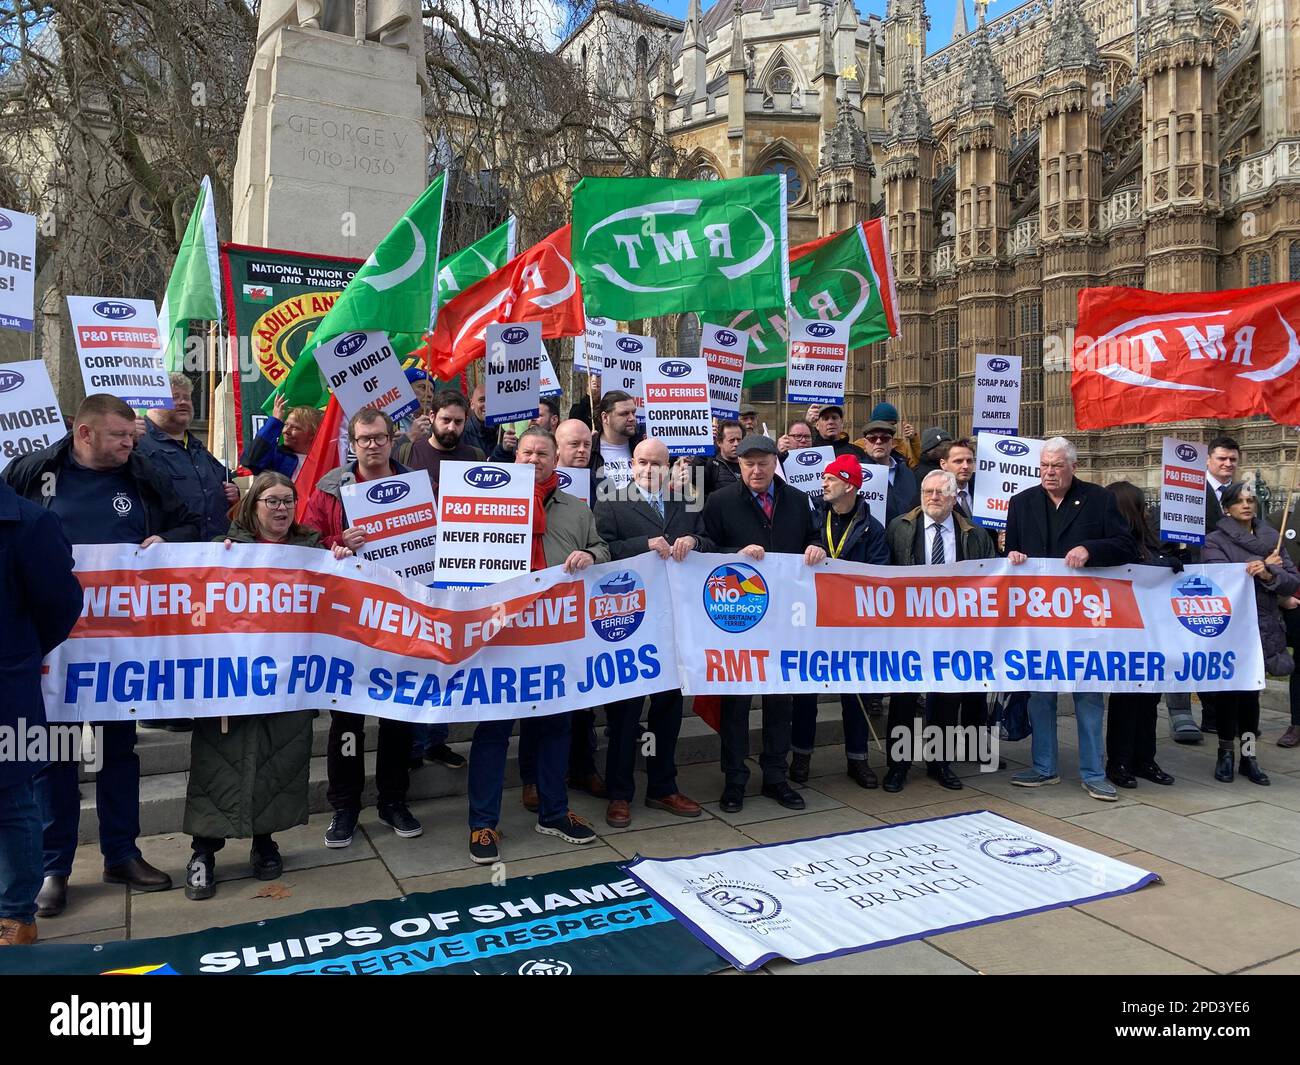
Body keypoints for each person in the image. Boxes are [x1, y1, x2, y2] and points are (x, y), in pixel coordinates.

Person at [3, 394, 199, 916]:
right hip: (52, 649)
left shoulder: (145, 473)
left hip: (120, 650)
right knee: (56, 758)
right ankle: (54, 867)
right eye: (119, 436)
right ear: (84, 434)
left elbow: (191, 527)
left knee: (119, 753)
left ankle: (122, 852)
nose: (130, 444)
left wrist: (167, 540)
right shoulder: (32, 472)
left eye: (133, 436)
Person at [183, 473, 356, 900]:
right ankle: (203, 852)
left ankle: (264, 842)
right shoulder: (227, 549)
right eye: (271, 501)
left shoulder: (310, 550)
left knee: (279, 762)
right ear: (252, 504)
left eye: (288, 501)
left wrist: (338, 555)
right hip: (233, 681)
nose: (281, 509)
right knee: (218, 765)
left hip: (289, 681)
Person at [467, 427, 611, 864]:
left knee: (555, 727)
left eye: (543, 453)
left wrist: (592, 557)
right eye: (527, 452)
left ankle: (553, 811)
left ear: (555, 460)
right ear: (516, 458)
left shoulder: (576, 509)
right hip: (500, 637)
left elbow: (602, 550)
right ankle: (482, 824)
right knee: (492, 730)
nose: (534, 459)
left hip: (555, 637)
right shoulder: (485, 504)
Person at [301, 408, 424, 846]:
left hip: (401, 619)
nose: (373, 444)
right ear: (351, 444)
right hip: (348, 623)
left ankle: (393, 801)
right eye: (364, 438)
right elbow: (306, 542)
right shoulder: (331, 489)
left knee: (397, 717)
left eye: (380, 437)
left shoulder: (417, 486)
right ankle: (345, 807)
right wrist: (337, 544)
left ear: (392, 440)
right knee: (347, 722)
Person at [1005, 436, 1139, 801]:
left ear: (1073, 467)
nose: (1049, 473)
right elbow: (1012, 552)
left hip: (1084, 619)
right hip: (1038, 617)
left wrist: (1089, 549)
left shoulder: (1099, 499)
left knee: (1088, 696)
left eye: (1056, 466)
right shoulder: (1021, 503)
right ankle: (1044, 767)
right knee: (1040, 694)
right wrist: (1013, 556)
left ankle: (1094, 772)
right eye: (1044, 466)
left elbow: (1126, 545)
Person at [703, 434, 826, 813]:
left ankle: (776, 777)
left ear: (776, 462)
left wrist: (815, 545)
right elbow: (704, 545)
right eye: (748, 463)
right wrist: (733, 554)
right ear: (738, 465)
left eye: (763, 463)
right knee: (736, 706)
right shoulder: (720, 501)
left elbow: (813, 536)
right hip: (738, 618)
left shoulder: (796, 499)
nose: (756, 470)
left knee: (780, 702)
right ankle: (735, 780)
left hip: (785, 618)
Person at [593, 438, 710, 827]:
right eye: (641, 462)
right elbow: (603, 550)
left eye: (656, 463)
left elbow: (711, 541)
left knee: (668, 710)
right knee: (626, 713)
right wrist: (643, 545)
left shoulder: (687, 499)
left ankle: (663, 787)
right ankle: (619, 793)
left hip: (675, 621)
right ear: (632, 464)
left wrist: (694, 540)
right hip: (631, 622)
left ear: (668, 465)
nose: (647, 469)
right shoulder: (611, 501)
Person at [0, 481, 83, 946]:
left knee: (11, 799)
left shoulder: (30, 523)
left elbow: (60, 606)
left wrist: (19, 657)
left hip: (5, 687)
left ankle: (15, 915)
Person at [882, 470, 996, 792]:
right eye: (928, 491)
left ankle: (939, 763)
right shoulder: (900, 528)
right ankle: (898, 765)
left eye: (940, 492)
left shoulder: (974, 534)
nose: (933, 497)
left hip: (954, 631)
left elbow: (990, 575)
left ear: (953, 497)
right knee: (904, 698)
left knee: (946, 698)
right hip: (908, 629)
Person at [789, 454, 888, 789]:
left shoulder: (873, 529)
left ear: (850, 485)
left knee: (855, 694)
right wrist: (812, 545)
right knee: (805, 694)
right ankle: (800, 757)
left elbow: (878, 576)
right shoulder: (812, 518)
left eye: (831, 478)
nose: (824, 483)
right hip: (812, 621)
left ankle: (857, 760)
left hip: (852, 625)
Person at [1201, 481, 1299, 785]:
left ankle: (1248, 755)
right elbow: (1219, 576)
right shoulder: (1214, 540)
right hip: (1231, 625)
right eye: (1240, 501)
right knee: (1229, 692)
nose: (1246, 505)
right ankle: (1225, 753)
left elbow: (1290, 580)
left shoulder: (1273, 536)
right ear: (1227, 507)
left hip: (1263, 623)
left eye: (1251, 500)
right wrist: (1256, 566)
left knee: (1251, 694)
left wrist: (1269, 571)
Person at [1101, 481, 1178, 791]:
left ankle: (1145, 758)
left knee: (1150, 699)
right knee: (1126, 700)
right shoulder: (1112, 542)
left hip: (1153, 633)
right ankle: (1118, 761)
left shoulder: (1151, 540)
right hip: (1123, 633)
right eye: (1142, 505)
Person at [136, 372, 240, 543]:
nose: (183, 402)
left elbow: (225, 487)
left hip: (211, 554)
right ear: (152, 403)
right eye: (174, 397)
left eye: (187, 397)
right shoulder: (137, 444)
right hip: (165, 555)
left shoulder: (197, 448)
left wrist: (233, 494)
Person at [1188, 435, 1244, 739]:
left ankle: (1231, 715)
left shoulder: (1244, 492)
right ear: (1208, 460)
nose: (1227, 464)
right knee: (1204, 645)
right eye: (1222, 458)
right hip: (1201, 577)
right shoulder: (1191, 491)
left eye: (1232, 459)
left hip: (1235, 582)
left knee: (1229, 648)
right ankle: (1210, 713)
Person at [406, 389, 486, 486]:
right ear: (432, 416)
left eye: (458, 422)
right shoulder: (407, 453)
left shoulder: (476, 457)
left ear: (466, 420)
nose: (451, 428)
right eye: (446, 420)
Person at [241, 392, 324, 481]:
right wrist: (275, 421)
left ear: (312, 434)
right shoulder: (276, 456)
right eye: (285, 425)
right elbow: (251, 461)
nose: (285, 431)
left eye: (295, 428)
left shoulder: (326, 460)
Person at [860, 418, 920, 526]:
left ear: (892, 443)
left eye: (884, 438)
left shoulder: (907, 472)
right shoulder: (857, 473)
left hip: (906, 536)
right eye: (872, 439)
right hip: (874, 539)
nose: (878, 442)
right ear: (865, 443)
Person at [590, 390, 642, 492]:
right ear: (605, 417)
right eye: (624, 414)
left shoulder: (642, 445)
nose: (632, 418)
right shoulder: (589, 449)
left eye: (633, 412)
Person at [487, 397, 561, 462]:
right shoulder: (517, 446)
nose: (532, 418)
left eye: (538, 415)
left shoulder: (563, 447)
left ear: (554, 420)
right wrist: (504, 450)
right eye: (530, 415)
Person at [391, 366, 436, 466]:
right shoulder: (390, 420)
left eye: (432, 390)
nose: (429, 394)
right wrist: (410, 436)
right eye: (422, 387)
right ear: (405, 390)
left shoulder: (438, 423)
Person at [852, 402, 920, 468]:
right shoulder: (858, 447)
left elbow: (915, 465)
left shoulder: (901, 446)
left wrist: (913, 439)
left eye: (891, 425)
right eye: (873, 439)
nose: (879, 442)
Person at [939, 437, 977, 519]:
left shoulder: (984, 491)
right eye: (958, 461)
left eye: (969, 461)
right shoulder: (933, 495)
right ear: (943, 464)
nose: (965, 466)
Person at [703, 419, 743, 495]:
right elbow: (695, 479)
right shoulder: (711, 465)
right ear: (719, 442)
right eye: (731, 440)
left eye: (739, 440)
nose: (736, 444)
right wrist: (705, 445)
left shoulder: (749, 465)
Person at [460, 381, 495, 455]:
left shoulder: (503, 433)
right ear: (472, 404)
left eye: (491, 399)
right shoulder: (461, 433)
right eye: (482, 400)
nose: (487, 404)